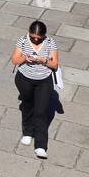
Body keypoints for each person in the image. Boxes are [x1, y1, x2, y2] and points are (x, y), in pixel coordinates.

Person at [10, 21, 59, 159]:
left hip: (44, 81)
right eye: (33, 37)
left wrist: (43, 60)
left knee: (41, 112)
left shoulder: (50, 43)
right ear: (29, 33)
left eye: (39, 37)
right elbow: (14, 60)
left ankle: (41, 146)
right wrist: (25, 57)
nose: (36, 39)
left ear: (44, 35)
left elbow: (55, 64)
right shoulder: (23, 41)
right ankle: (27, 132)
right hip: (24, 79)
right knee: (27, 106)